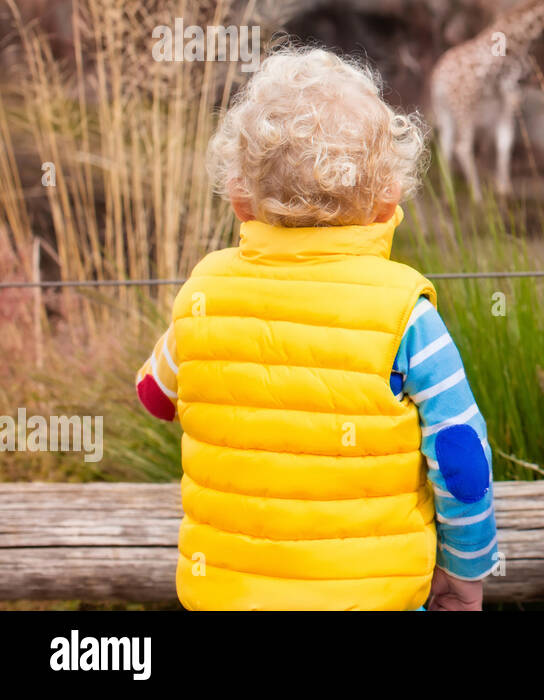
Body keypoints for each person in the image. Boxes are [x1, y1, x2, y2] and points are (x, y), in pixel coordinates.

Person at [135, 47, 498, 610]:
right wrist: (466, 571)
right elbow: (461, 456)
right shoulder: (406, 314)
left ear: (239, 198)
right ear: (388, 201)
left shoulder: (204, 295)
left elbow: (154, 396)